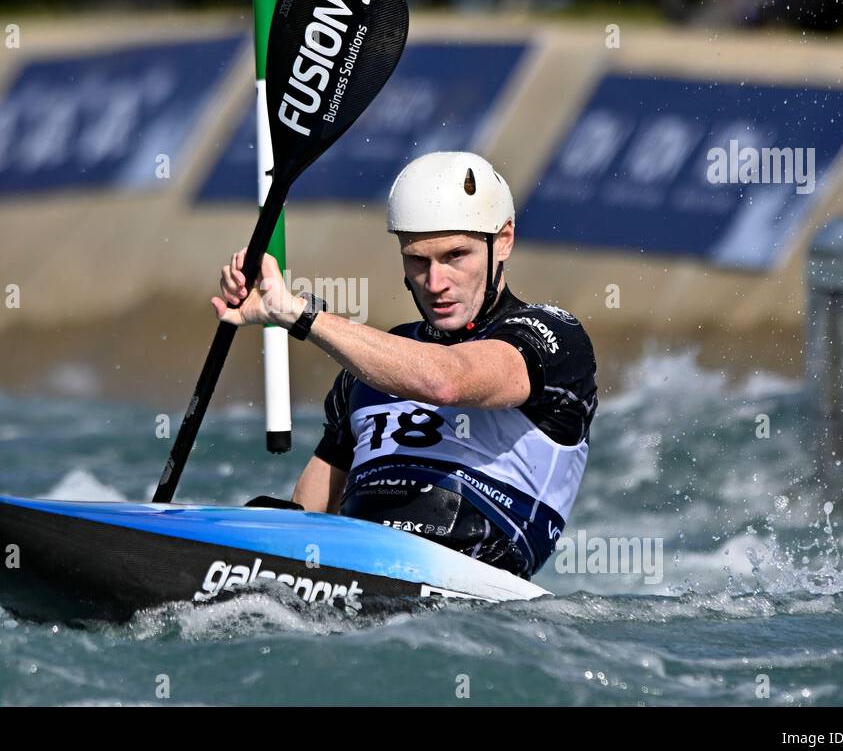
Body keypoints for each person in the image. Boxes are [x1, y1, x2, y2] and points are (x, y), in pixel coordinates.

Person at [213, 151, 597, 580]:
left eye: (456, 256)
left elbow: (446, 381)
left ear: (503, 240)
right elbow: (310, 516)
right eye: (418, 260)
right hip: (355, 572)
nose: (435, 283)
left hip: (472, 594)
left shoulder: (552, 336)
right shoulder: (374, 364)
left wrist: (300, 315)